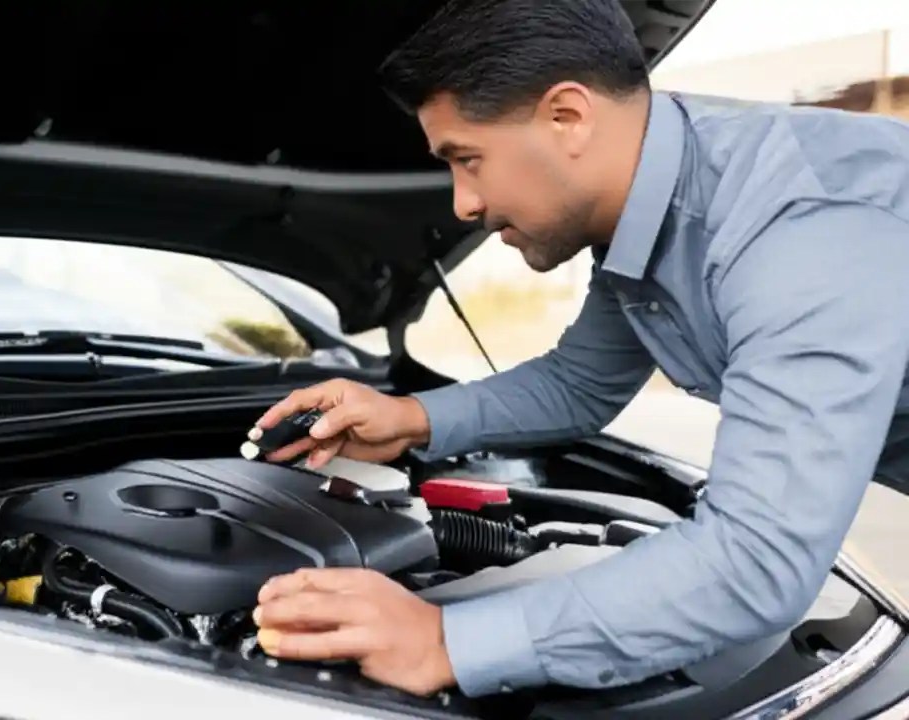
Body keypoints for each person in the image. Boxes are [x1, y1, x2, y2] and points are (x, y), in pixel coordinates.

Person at [247, 0, 909, 699]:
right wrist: (409, 417)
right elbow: (581, 383)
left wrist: (445, 642)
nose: (462, 205)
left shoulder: (800, 229)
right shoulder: (653, 198)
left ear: (568, 116)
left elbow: (755, 564)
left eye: (466, 159)